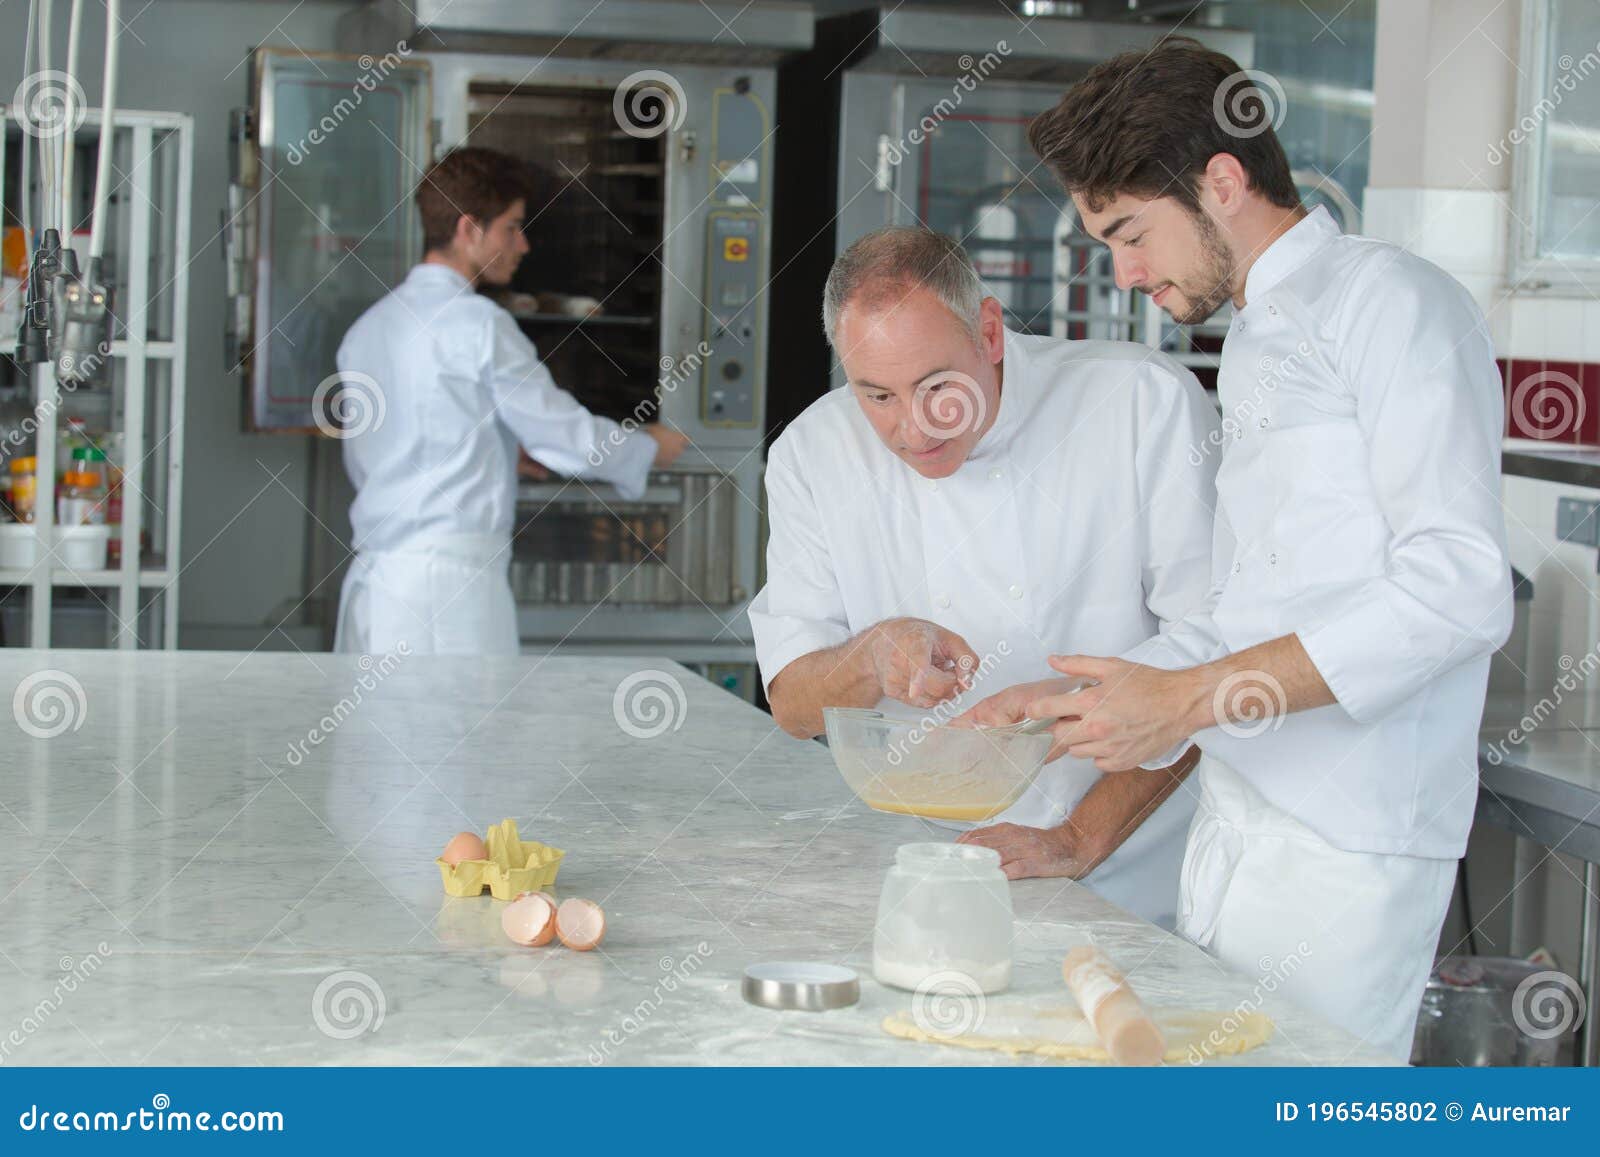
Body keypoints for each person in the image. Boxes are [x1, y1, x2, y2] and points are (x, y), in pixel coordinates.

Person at [968, 38, 1511, 1058]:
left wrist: (1186, 699)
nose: (1125, 274)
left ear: (1221, 181)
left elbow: (1460, 587)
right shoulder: (1254, 339)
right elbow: (1243, 615)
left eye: (1130, 233)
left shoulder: (1388, 302)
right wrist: (1070, 707)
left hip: (1350, 838)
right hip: (1236, 814)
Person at [748, 226, 1222, 928]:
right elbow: (791, 704)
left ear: (991, 332)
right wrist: (872, 656)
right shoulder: (813, 454)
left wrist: (1076, 839)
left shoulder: (1139, 405)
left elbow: (1211, 666)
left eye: (936, 386)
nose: (914, 428)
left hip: (1134, 878)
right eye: (877, 395)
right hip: (919, 868)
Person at [333, 147, 688, 656]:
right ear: (467, 229)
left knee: (382, 736)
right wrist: (647, 445)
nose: (522, 245)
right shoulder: (479, 324)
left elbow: (401, 444)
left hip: (379, 586)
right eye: (511, 227)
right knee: (458, 736)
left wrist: (495, 451)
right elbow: (564, 435)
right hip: (445, 597)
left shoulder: (368, 328)